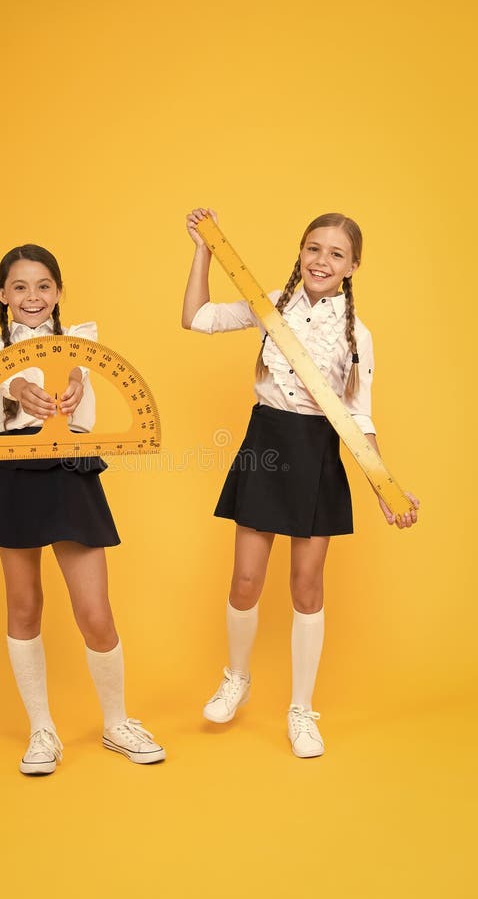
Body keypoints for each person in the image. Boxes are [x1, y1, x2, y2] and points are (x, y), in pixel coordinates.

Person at [182, 209, 419, 758]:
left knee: (306, 588)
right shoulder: (272, 304)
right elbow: (196, 318)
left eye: (336, 254)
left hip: (318, 454)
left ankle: (301, 710)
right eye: (314, 249)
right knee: (245, 579)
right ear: (301, 252)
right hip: (266, 442)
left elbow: (361, 418)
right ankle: (236, 679)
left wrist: (389, 490)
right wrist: (204, 250)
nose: (322, 261)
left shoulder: (358, 334)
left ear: (352, 266)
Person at [0, 243, 165, 774]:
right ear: (2, 295)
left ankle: (117, 723)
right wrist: (23, 388)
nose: (33, 297)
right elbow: (8, 376)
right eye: (20, 287)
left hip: (71, 469)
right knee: (24, 605)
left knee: (94, 611)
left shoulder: (82, 339)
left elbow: (77, 368)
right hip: (14, 472)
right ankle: (42, 731)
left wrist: (74, 379)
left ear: (59, 293)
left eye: (44, 286)